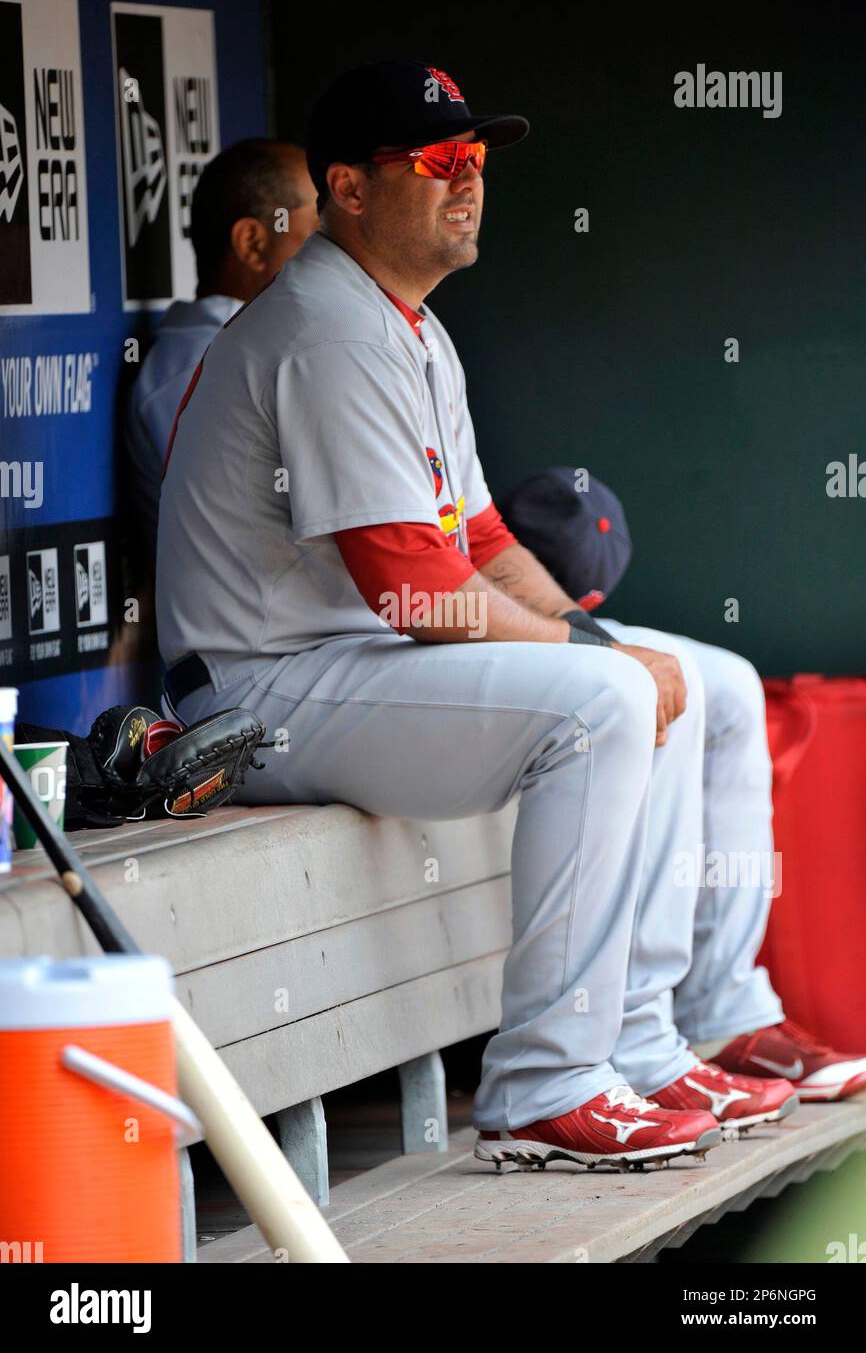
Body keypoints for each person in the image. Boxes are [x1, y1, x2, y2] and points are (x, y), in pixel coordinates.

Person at [156, 61, 802, 1173]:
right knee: (605, 701)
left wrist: (604, 641)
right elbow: (404, 576)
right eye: (437, 161)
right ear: (348, 188)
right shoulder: (326, 325)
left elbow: (483, 542)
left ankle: (660, 1034)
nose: (468, 182)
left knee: (705, 679)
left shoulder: (406, 324)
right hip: (254, 696)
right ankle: (549, 1080)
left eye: (477, 160)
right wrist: (593, 665)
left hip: (348, 665)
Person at [501, 468, 866, 1105]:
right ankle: (639, 1032)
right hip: (423, 629)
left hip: (509, 610)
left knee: (725, 682)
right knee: (653, 685)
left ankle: (722, 1011)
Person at [127, 139, 318, 564]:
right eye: (318, 229)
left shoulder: (268, 349)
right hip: (258, 627)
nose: (335, 252)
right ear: (252, 243)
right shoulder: (196, 371)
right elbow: (268, 545)